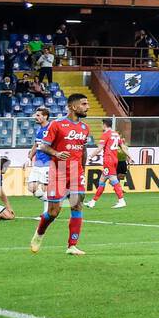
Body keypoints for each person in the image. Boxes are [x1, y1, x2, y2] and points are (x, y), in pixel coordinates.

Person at [29, 93, 92, 256]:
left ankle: (72, 245)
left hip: (76, 172)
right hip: (59, 171)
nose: (88, 107)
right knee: (53, 212)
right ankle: (39, 234)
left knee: (77, 205)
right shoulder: (57, 124)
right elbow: (42, 147)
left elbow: (83, 149)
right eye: (84, 104)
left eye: (88, 104)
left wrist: (83, 169)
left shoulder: (85, 128)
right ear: (73, 106)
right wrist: (56, 153)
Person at [86, 123, 129, 209]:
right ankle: (93, 202)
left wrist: (90, 156)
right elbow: (123, 147)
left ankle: (121, 200)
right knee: (102, 180)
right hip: (114, 159)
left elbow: (99, 149)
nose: (101, 126)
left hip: (108, 160)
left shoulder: (106, 134)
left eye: (102, 124)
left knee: (113, 179)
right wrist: (130, 156)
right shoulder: (116, 134)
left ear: (104, 125)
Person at [25, 105, 53, 206]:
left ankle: (46, 215)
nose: (35, 117)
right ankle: (53, 203)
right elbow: (36, 144)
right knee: (31, 187)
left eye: (38, 115)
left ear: (45, 116)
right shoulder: (39, 129)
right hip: (37, 163)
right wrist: (29, 157)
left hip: (47, 163)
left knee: (46, 188)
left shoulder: (51, 128)